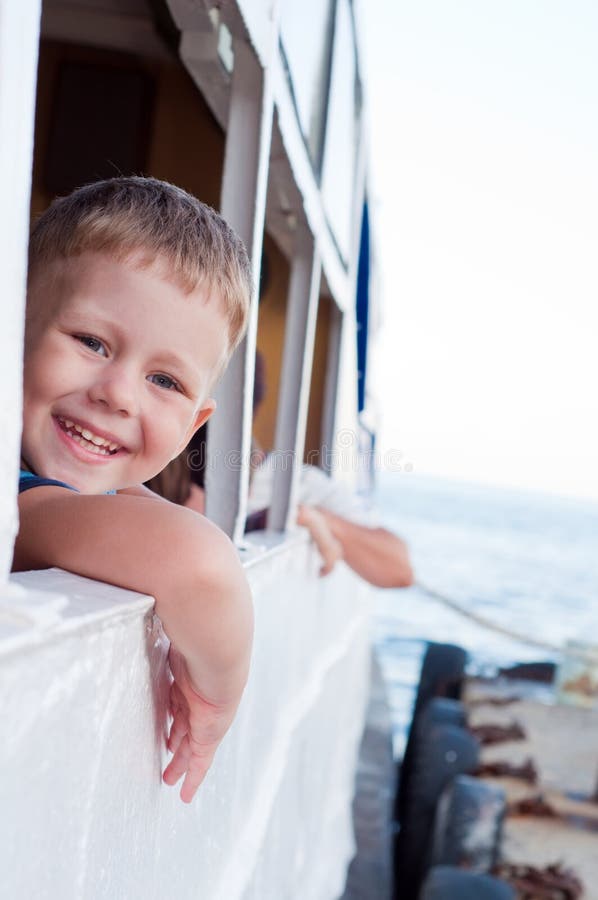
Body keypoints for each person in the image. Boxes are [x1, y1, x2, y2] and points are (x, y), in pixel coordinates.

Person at [13, 176, 254, 804]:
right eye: (91, 342)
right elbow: (199, 566)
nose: (117, 394)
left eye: (165, 381)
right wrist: (218, 694)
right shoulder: (16, 495)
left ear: (193, 427)